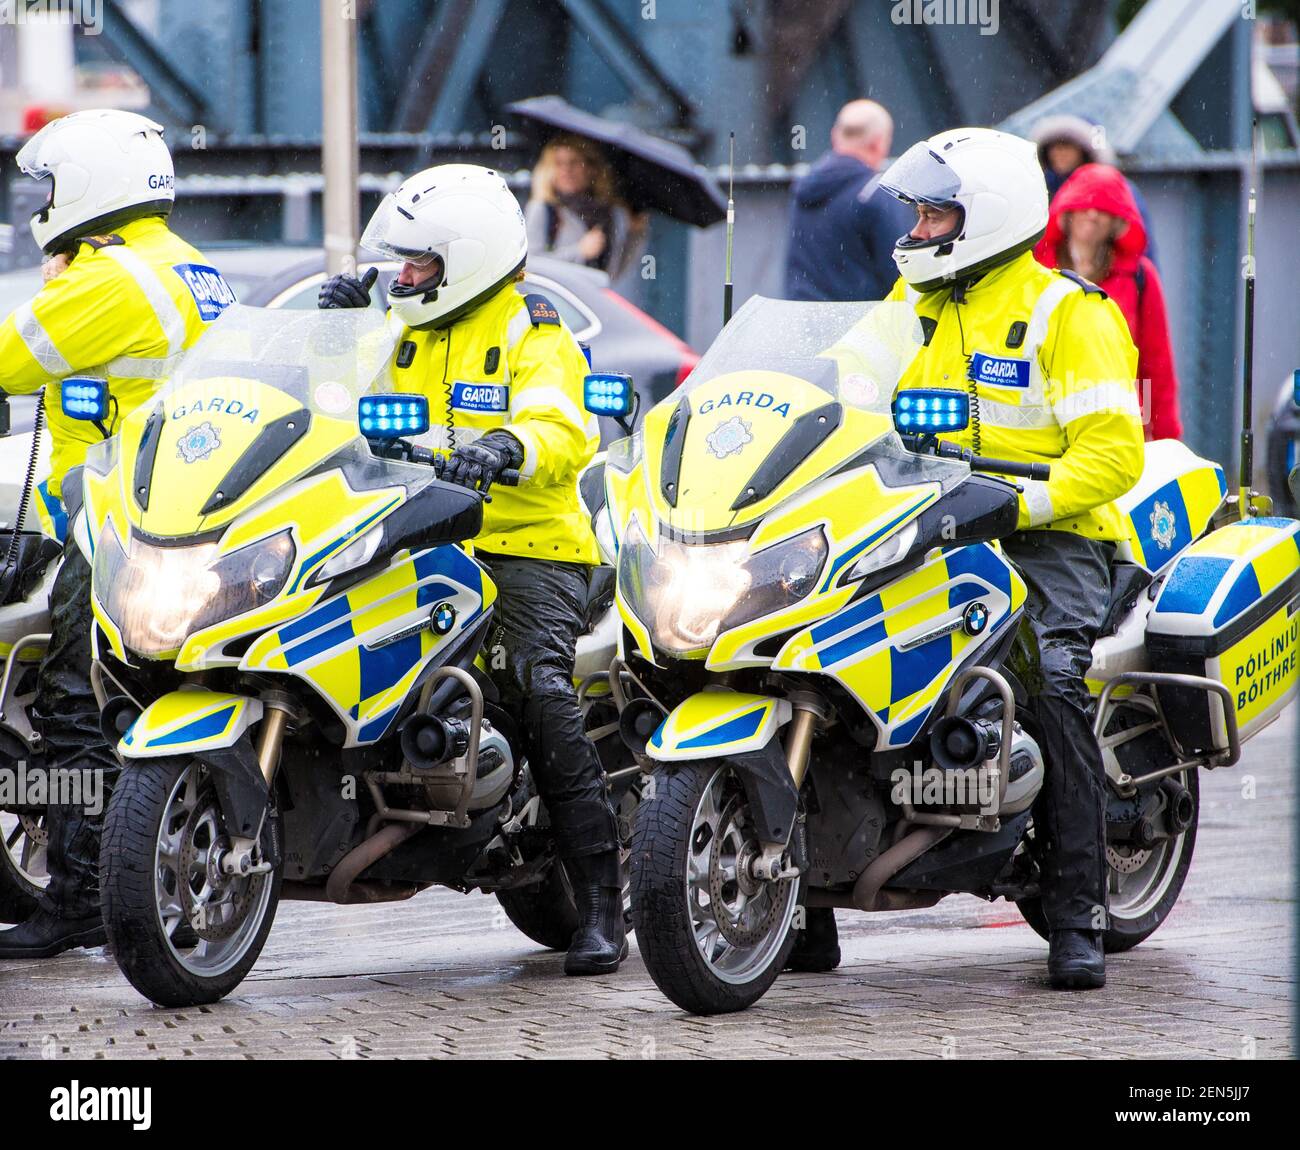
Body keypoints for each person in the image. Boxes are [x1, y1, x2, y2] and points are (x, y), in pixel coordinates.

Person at [790, 127, 1145, 991]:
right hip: (934, 522)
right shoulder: (915, 306)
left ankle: (1076, 912)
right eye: (913, 212)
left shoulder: (1070, 313)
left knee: (1053, 679)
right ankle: (803, 904)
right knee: (830, 662)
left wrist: (1021, 501)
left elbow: (1115, 454)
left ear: (984, 218)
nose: (913, 229)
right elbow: (830, 386)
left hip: (1055, 533)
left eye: (934, 213)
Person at [318, 164, 625, 975]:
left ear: (470, 258)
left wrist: (506, 447)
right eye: (401, 263)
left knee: (535, 683)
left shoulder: (535, 330)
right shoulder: (400, 330)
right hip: (416, 536)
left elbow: (563, 426)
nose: (401, 277)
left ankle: (601, 895)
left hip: (529, 547)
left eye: (418, 263)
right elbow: (331, 421)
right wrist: (336, 344)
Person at [0, 110, 236, 959]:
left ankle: (75, 897)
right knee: (112, 701)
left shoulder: (109, 280)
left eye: (51, 187)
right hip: (182, 516)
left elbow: (5, 355)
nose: (43, 205)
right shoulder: (188, 267)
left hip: (124, 526)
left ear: (90, 186)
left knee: (71, 703)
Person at [1036, 163, 1182, 441]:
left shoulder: (1140, 277)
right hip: (1044, 429)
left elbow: (1157, 365)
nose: (1092, 215)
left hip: (1115, 429)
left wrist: (1167, 442)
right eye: (1084, 204)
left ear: (1118, 221)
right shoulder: (1036, 269)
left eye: (1104, 209)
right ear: (1066, 212)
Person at [784, 99, 914, 303]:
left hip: (802, 322)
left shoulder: (802, 189)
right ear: (878, 142)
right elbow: (902, 273)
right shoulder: (876, 193)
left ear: (835, 135)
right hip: (858, 327)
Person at [1030, 114, 1159, 267]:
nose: (1059, 152)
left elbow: (1140, 248)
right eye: (1054, 145)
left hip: (1108, 277)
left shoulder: (1117, 191)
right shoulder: (1038, 190)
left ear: (1085, 151)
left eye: (1067, 145)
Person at [524, 135, 646, 280]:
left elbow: (612, 275)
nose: (567, 170)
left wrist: (635, 235)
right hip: (556, 299)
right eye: (558, 163)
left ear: (591, 169)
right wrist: (579, 251)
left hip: (589, 298)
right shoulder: (543, 209)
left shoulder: (611, 214)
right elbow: (530, 265)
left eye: (574, 162)